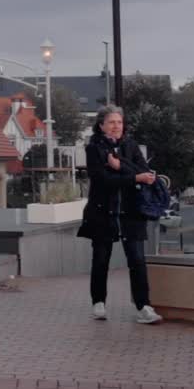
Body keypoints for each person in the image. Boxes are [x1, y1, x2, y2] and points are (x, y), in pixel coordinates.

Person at [77, 105, 162, 324]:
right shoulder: (94, 148)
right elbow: (102, 180)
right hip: (103, 212)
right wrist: (134, 177)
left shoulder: (131, 146)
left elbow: (147, 175)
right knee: (101, 259)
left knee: (137, 260)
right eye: (112, 122)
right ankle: (99, 303)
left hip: (131, 212)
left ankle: (143, 306)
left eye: (120, 122)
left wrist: (120, 165)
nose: (117, 126)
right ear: (101, 125)